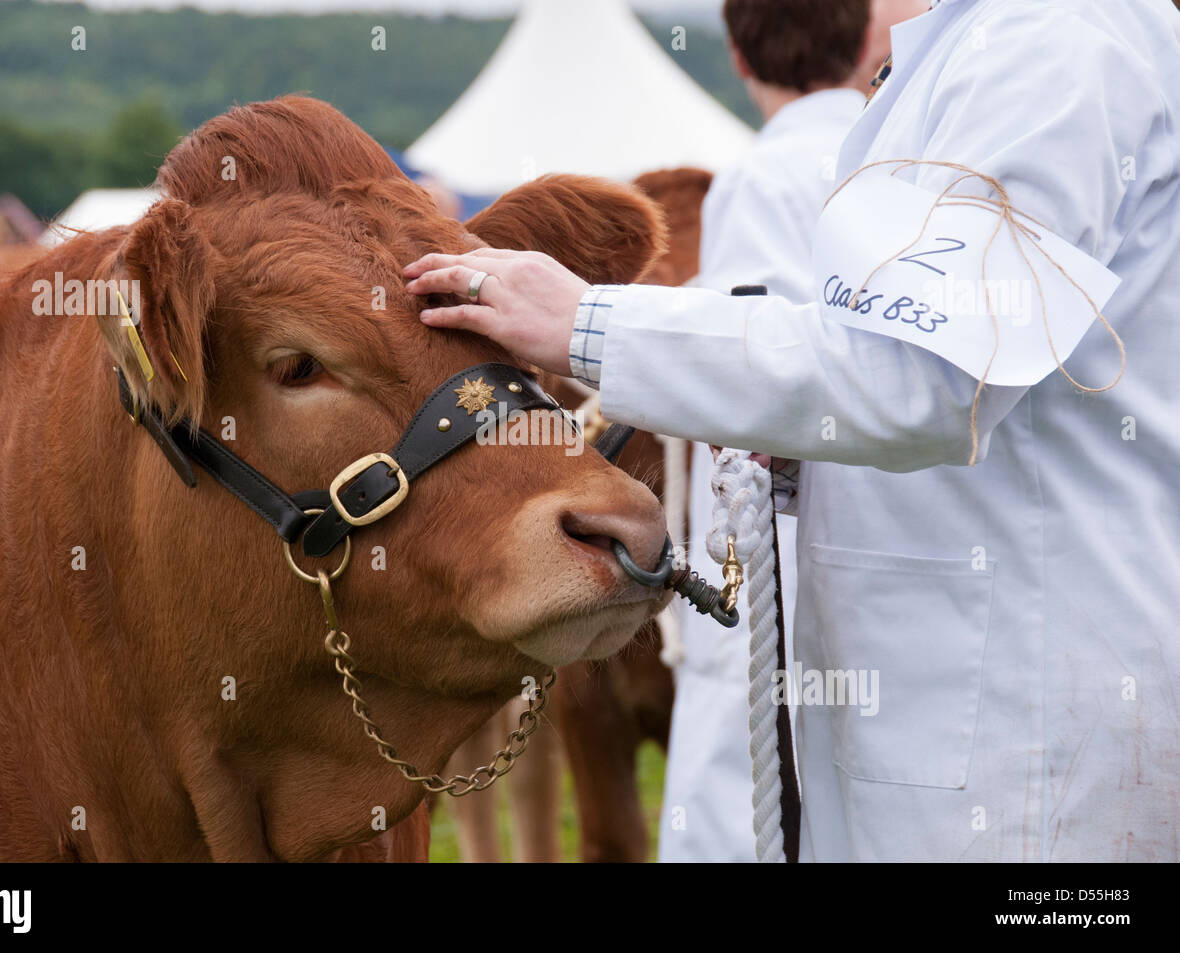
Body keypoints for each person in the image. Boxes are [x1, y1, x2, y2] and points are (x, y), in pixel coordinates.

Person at [405, 0, 1180, 861]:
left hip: (1019, 750)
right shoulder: (996, 42)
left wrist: (589, 323)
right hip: (973, 716)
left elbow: (927, 380)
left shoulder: (1053, 38)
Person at [661, 0, 927, 864]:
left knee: (744, 805)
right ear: (863, 46)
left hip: (771, 575)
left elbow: (751, 381)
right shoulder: (903, 163)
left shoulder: (760, 175)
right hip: (895, 569)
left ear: (738, 56)